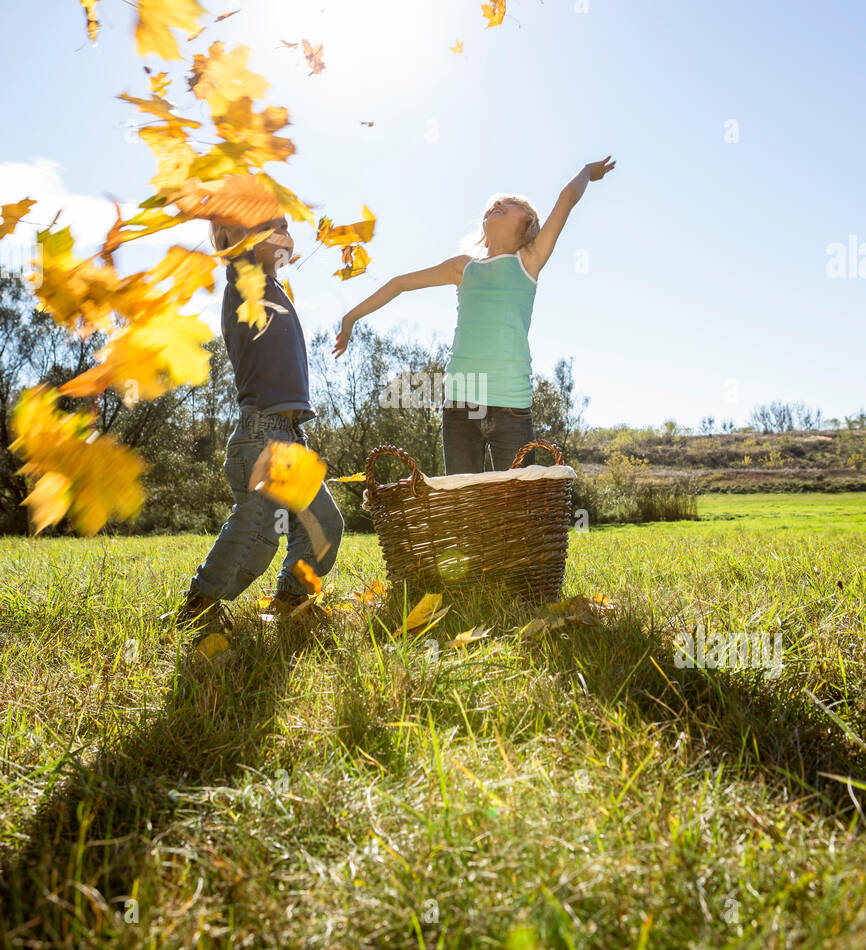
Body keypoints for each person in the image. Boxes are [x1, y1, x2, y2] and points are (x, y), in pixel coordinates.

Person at [333, 158, 616, 473]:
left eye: (510, 203)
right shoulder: (464, 267)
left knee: (521, 504)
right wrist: (351, 318)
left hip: (512, 406)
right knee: (465, 505)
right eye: (495, 203)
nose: (497, 203)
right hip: (461, 405)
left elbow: (566, 197)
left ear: (529, 225)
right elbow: (399, 284)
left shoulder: (529, 260)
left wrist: (588, 173)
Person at [171, 216, 344, 632]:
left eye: (287, 226)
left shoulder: (277, 288)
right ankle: (200, 605)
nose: (285, 232)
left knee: (323, 524)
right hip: (261, 433)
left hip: (289, 437)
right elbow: (232, 237)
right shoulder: (244, 281)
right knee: (256, 527)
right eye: (272, 226)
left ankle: (291, 599)